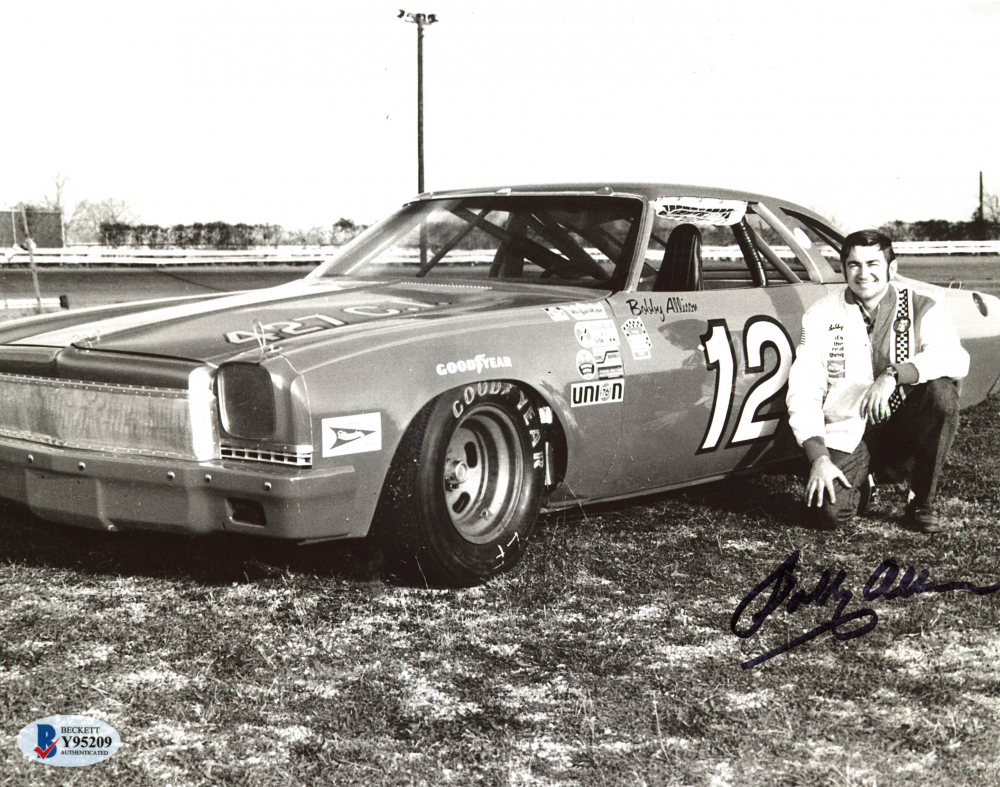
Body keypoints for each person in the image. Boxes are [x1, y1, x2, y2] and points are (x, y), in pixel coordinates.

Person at [785, 229, 969, 532]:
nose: (863, 273)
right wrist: (819, 457)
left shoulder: (922, 305)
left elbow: (956, 359)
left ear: (891, 268)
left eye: (873, 264)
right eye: (854, 264)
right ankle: (867, 479)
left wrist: (894, 375)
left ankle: (921, 500)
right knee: (827, 513)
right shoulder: (821, 314)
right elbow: (804, 390)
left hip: (903, 424)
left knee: (942, 394)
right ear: (844, 268)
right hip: (848, 429)